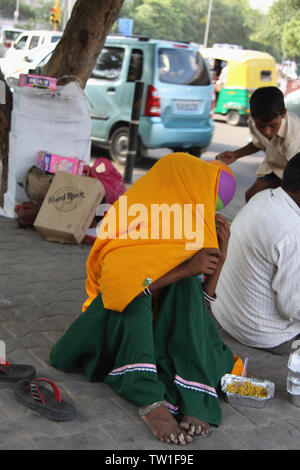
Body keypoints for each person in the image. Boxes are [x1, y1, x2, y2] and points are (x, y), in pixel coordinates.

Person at [50, 153, 243, 445]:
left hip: (160, 333)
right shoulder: (128, 223)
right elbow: (118, 293)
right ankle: (151, 401)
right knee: (136, 288)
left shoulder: (190, 229)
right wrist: (184, 269)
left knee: (186, 283)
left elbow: (200, 307)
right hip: (119, 325)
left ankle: (194, 393)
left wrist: (220, 257)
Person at [211, 153, 300, 356]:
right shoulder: (294, 233)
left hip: (225, 314)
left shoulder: (264, 197)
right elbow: (291, 308)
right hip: (262, 334)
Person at [215, 86, 300, 202]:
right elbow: (259, 143)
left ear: (284, 113)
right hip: (273, 169)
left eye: (272, 126)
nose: (267, 132)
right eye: (261, 126)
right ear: (253, 117)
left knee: (281, 205)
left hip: (294, 175)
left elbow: (295, 175)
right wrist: (236, 155)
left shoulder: (294, 137)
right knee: (252, 197)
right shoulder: (254, 123)